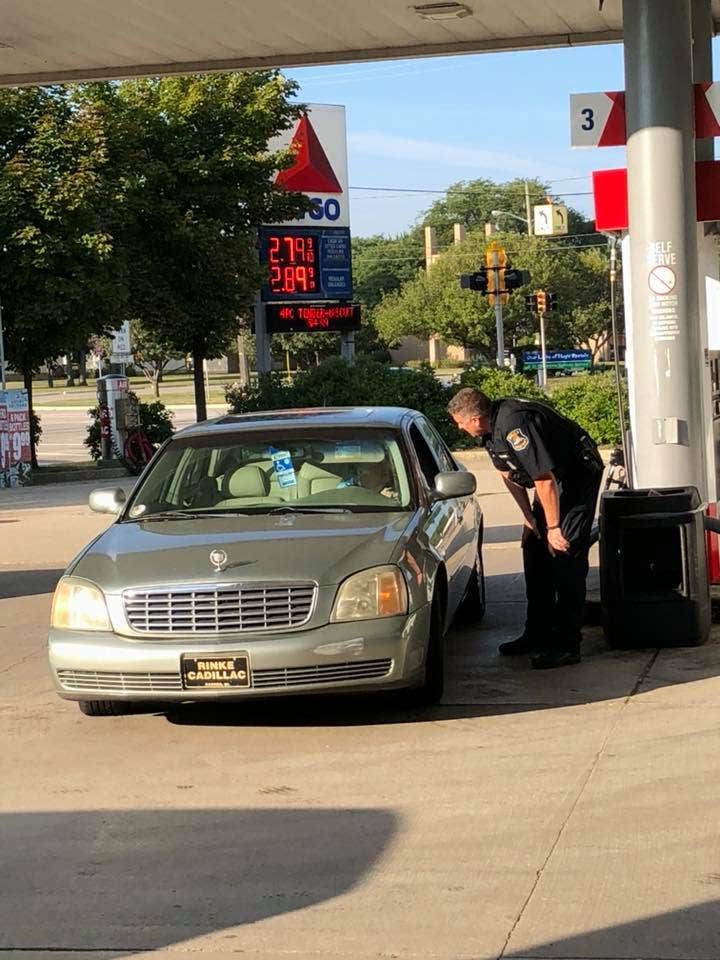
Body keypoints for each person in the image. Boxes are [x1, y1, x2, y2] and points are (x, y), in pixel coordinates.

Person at [448, 387, 603, 669]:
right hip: (552, 481)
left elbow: (544, 479)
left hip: (576, 476)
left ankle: (567, 644)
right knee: (534, 547)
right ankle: (537, 633)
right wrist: (529, 517)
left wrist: (554, 527)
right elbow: (508, 473)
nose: (459, 428)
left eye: (460, 422)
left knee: (564, 553)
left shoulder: (515, 424)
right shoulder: (490, 431)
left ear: (474, 419)